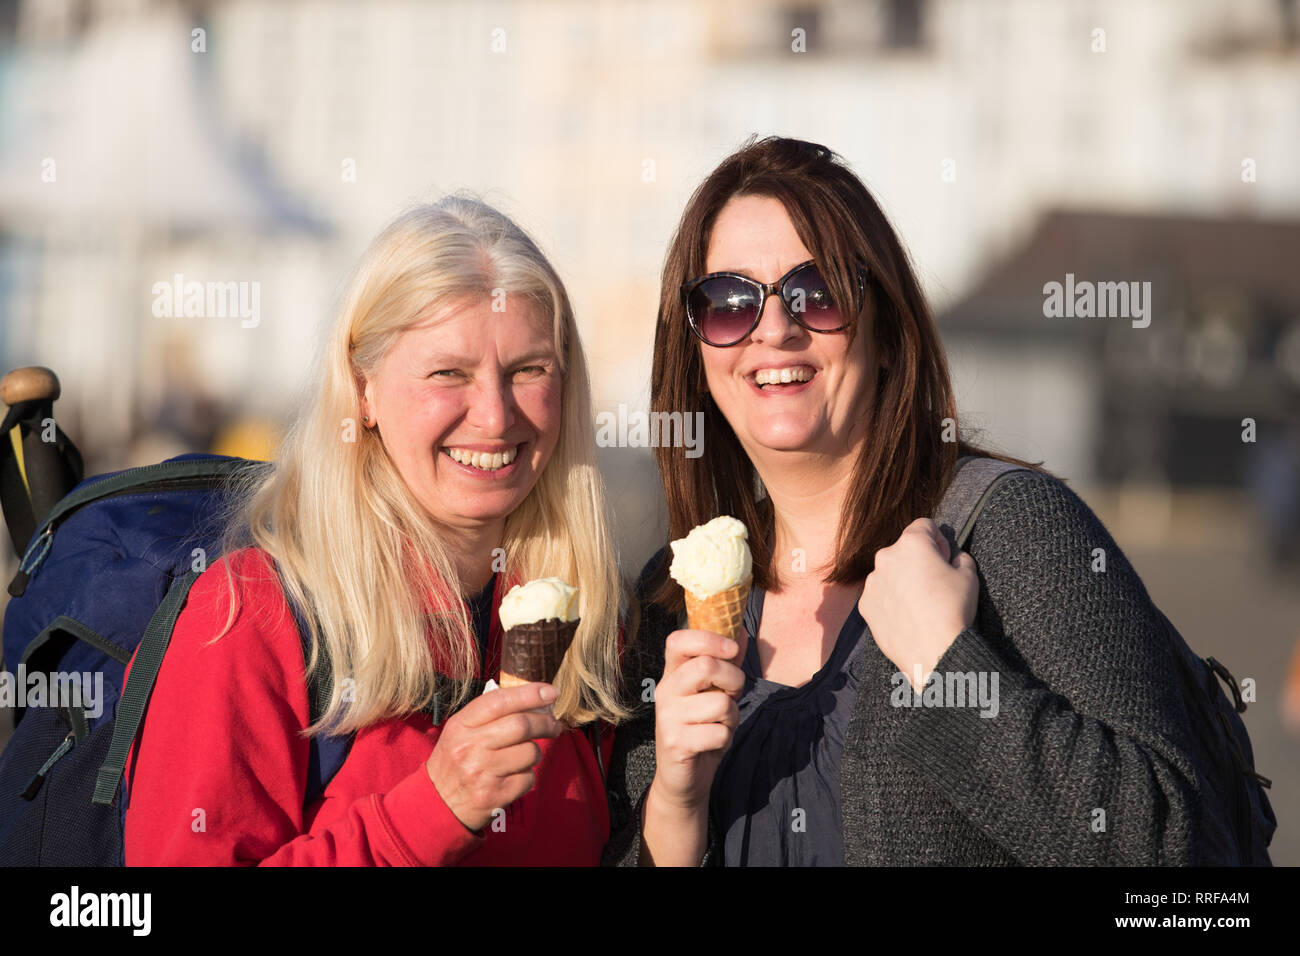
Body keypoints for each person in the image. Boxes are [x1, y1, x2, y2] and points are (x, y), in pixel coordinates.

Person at [603, 136, 1210, 866]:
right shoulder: (668, 600)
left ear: (888, 329)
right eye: (729, 302)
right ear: (697, 353)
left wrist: (948, 669)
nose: (773, 328)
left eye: (816, 290)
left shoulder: (1013, 532)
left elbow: (1175, 846)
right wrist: (674, 809)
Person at [123, 195, 630, 865]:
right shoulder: (252, 616)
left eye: (527, 370)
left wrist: (681, 798)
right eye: (449, 373)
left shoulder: (595, 626)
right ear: (363, 391)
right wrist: (430, 813)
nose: (494, 415)